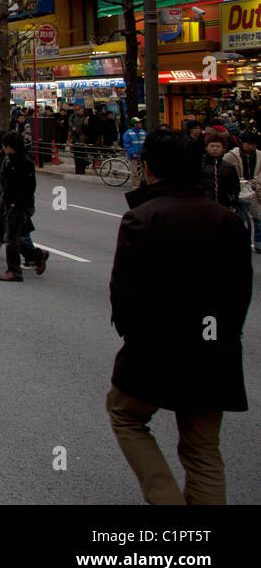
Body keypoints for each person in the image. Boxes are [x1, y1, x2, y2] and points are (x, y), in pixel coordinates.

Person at [106, 129, 252, 505]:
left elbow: (125, 295)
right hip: (214, 350)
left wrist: (135, 339)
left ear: (150, 168)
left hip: (154, 348)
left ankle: (165, 498)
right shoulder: (227, 221)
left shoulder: (143, 218)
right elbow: (240, 293)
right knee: (203, 449)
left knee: (126, 415)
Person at [0, 131, 48, 282]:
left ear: (10, 146)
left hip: (19, 205)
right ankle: (38, 255)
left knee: (11, 237)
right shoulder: (9, 159)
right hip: (9, 202)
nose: (4, 149)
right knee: (11, 235)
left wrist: (15, 203)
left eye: (5, 146)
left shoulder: (24, 162)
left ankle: (14, 270)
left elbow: (29, 187)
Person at [224, 131, 261, 250]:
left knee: (258, 217)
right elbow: (226, 170)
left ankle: (259, 243)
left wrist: (257, 180)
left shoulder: (259, 155)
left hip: (255, 190)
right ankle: (239, 243)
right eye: (248, 144)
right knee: (241, 218)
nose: (251, 147)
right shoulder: (232, 156)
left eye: (253, 144)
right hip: (239, 189)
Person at [200, 130, 240, 211]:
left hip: (223, 205)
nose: (214, 149)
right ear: (206, 148)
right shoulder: (199, 165)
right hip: (203, 205)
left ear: (223, 149)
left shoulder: (229, 167)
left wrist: (232, 199)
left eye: (218, 147)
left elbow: (235, 187)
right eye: (211, 146)